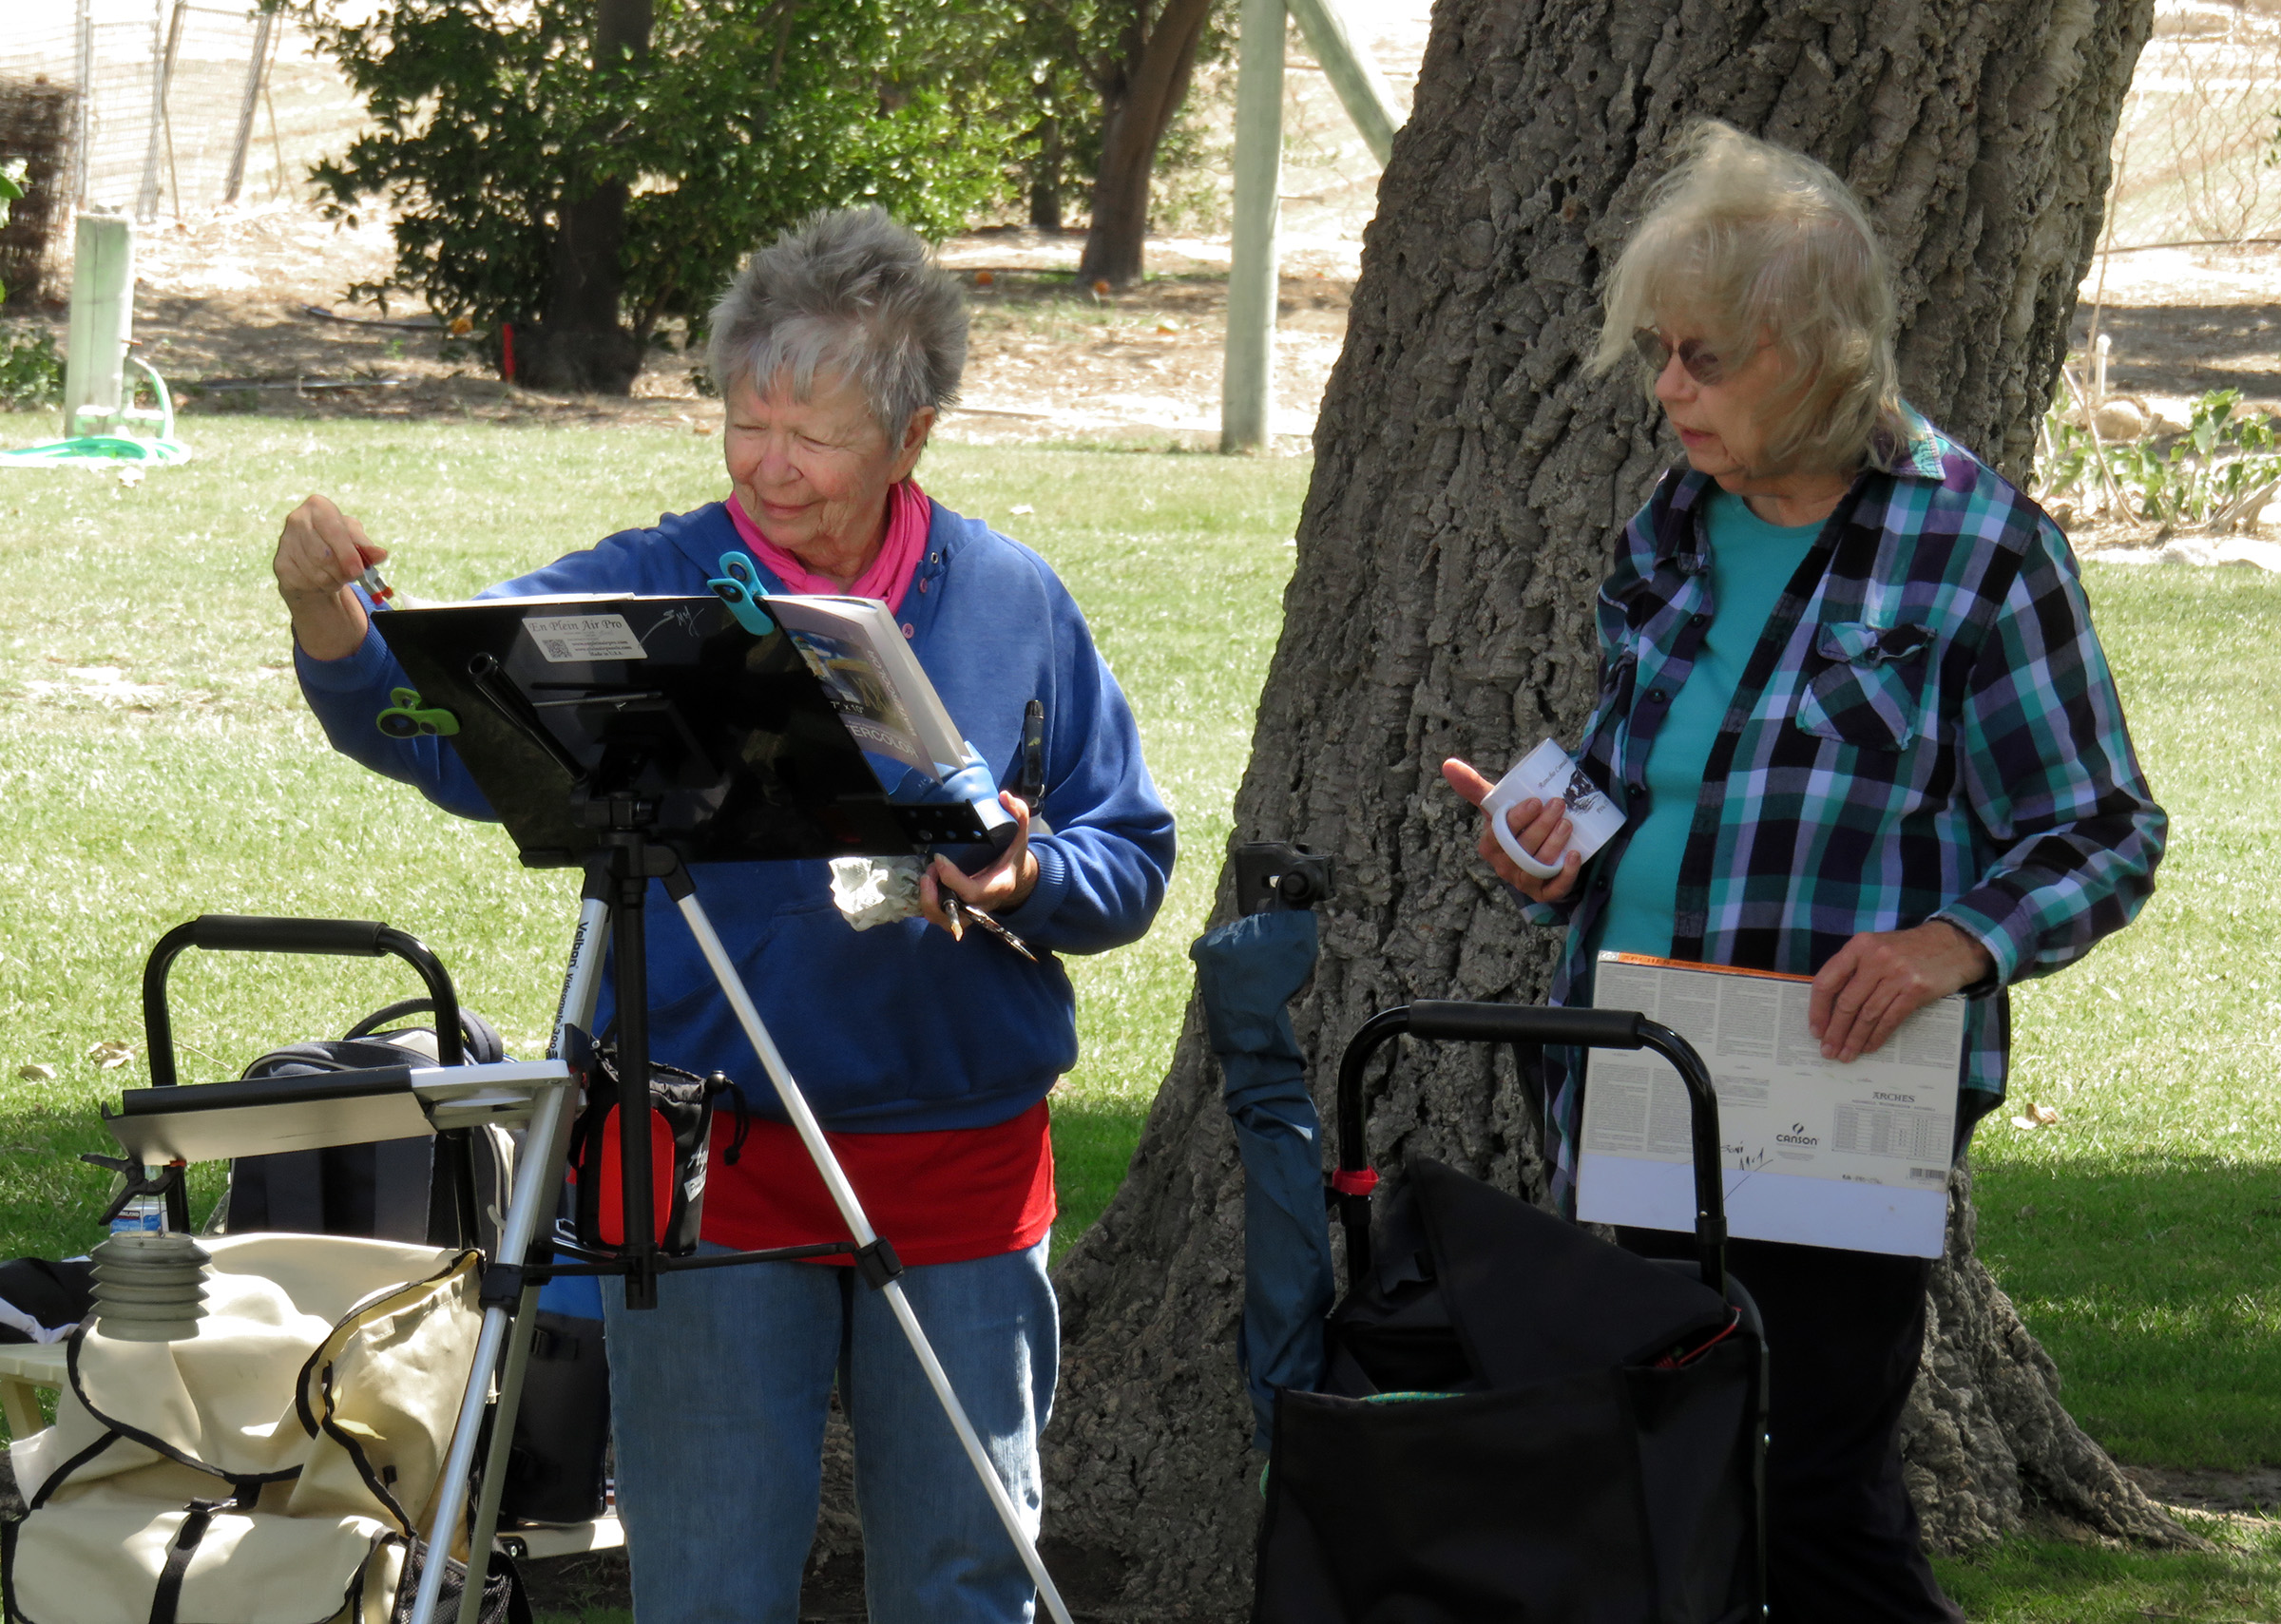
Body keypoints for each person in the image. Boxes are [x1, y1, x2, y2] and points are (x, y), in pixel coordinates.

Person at [272, 206, 1176, 1623]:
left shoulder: (1012, 600)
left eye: (811, 434)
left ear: (912, 435)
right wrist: (335, 630)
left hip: (956, 1168)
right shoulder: (660, 578)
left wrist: (1026, 875)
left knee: (962, 1576)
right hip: (707, 1167)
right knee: (706, 1585)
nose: (769, 465)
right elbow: (454, 717)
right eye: (746, 421)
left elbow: (1130, 855)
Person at [1443, 124, 2164, 1622]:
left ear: (1816, 350)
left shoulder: (1975, 548)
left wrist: (1954, 943)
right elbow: (1662, 784)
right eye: (1659, 353)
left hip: (1829, 1089)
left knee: (1815, 1490)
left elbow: (2103, 825)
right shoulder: (1674, 527)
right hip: (1635, 1066)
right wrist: (1555, 839)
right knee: (1651, 1483)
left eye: (1703, 358)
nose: (1668, 390)